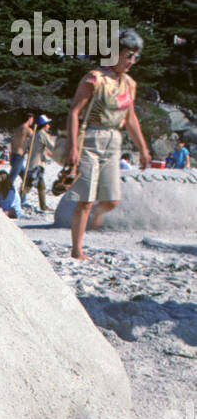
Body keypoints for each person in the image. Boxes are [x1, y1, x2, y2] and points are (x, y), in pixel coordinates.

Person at [65, 27, 152, 259]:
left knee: (112, 199)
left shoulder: (129, 84)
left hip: (114, 140)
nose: (132, 60)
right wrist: (72, 147)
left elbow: (131, 117)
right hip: (91, 137)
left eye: (136, 56)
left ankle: (97, 215)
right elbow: (74, 111)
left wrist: (143, 148)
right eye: (128, 54)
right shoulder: (95, 78)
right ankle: (77, 248)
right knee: (85, 199)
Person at [23, 114, 55, 210]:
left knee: (40, 186)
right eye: (48, 124)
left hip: (32, 164)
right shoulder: (43, 134)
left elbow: (27, 147)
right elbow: (52, 146)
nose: (49, 126)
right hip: (38, 164)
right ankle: (16, 199)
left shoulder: (34, 134)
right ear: (44, 125)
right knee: (28, 186)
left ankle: (43, 206)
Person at [7, 111, 35, 189]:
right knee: (10, 180)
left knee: (25, 180)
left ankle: (22, 199)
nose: (32, 121)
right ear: (29, 118)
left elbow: (12, 143)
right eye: (32, 119)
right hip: (19, 157)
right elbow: (35, 141)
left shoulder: (17, 129)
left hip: (13, 155)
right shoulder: (27, 130)